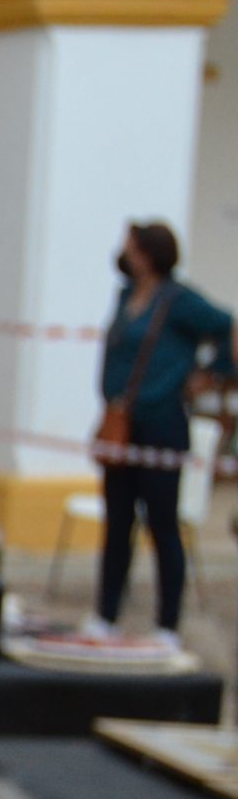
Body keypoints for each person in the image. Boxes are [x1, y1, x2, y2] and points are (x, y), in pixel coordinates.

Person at [91, 219, 233, 645]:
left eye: (130, 246)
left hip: (162, 425)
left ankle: (167, 624)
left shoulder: (178, 301)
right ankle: (106, 615)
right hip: (123, 423)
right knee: (117, 523)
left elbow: (227, 326)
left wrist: (209, 375)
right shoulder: (126, 297)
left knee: (162, 525)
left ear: (147, 254)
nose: (123, 253)